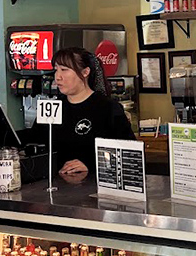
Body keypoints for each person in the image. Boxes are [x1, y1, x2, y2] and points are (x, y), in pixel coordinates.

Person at [46, 47, 134, 179]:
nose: (57, 77)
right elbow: (37, 144)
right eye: (56, 70)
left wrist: (91, 164)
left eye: (64, 70)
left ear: (86, 72)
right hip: (55, 187)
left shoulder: (107, 107)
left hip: (96, 188)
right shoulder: (53, 107)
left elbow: (130, 154)